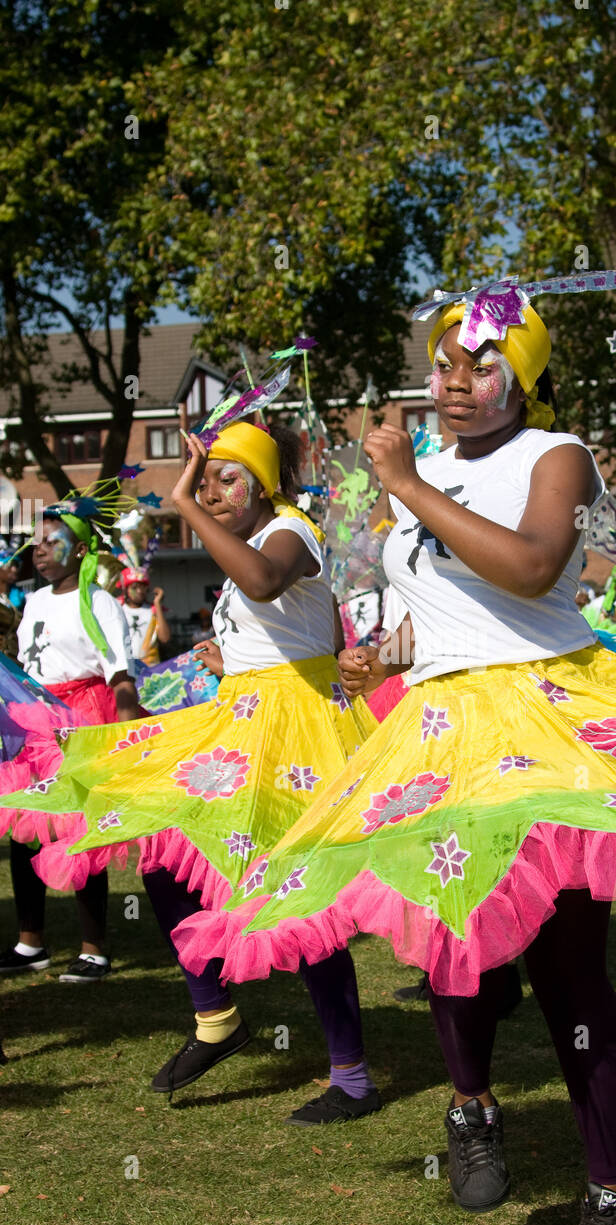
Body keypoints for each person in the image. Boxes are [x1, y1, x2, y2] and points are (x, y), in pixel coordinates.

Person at [173, 294, 616, 1225]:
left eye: (480, 364)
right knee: (451, 947)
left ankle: (608, 1192)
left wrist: (408, 486)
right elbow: (437, 608)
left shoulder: (553, 455)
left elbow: (533, 569)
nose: (454, 381)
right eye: (443, 362)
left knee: (565, 970)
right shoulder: (420, 472)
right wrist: (384, 657)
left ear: (524, 375)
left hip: (545, 725)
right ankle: (470, 1109)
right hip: (437, 732)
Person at [0, 422, 382, 1116]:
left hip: (293, 738)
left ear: (264, 482)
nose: (211, 491)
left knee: (298, 898)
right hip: (242, 720)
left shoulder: (290, 530)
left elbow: (266, 583)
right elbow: (312, 629)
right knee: (164, 857)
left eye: (225, 478)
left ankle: (352, 1076)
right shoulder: (256, 542)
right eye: (205, 480)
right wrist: (233, 661)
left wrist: (186, 504)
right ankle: (216, 1019)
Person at [0, 498, 140, 981]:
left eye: (52, 540)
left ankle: (94, 947)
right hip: (32, 722)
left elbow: (120, 673)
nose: (39, 550)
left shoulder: (101, 602)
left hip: (80, 718)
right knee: (25, 830)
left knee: (81, 833)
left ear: (81, 549)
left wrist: (123, 735)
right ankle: (29, 942)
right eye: (36, 541)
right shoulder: (33, 600)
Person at [118, 568, 170, 666]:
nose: (139, 591)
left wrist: (157, 604)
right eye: (134, 587)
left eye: (143, 587)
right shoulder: (118, 608)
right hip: (125, 666)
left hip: (150, 668)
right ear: (125, 589)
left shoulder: (153, 610)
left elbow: (165, 638)